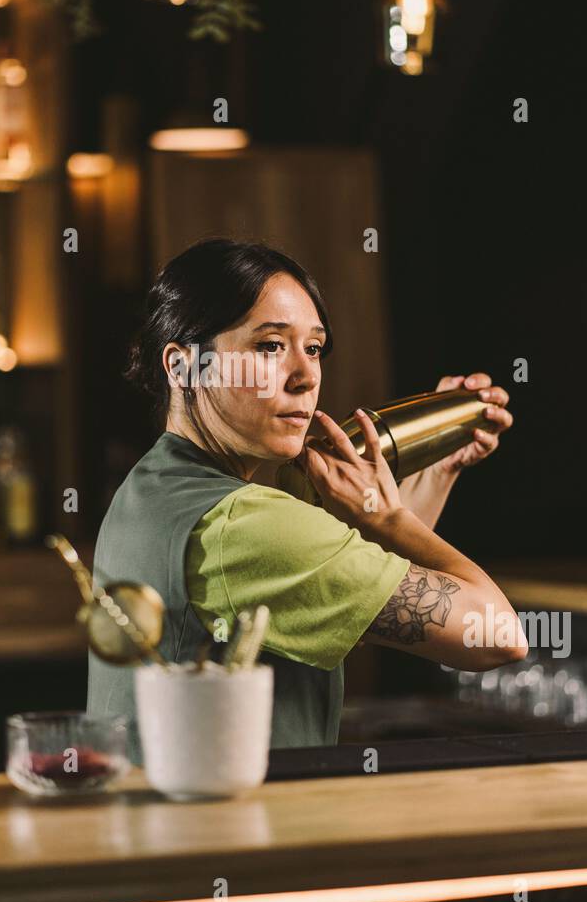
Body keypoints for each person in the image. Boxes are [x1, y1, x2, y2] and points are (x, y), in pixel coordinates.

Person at [88, 238, 526, 762]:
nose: (306, 376)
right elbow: (499, 635)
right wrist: (384, 516)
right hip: (227, 835)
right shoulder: (242, 524)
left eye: (314, 348)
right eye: (270, 346)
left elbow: (351, 597)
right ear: (183, 367)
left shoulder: (152, 490)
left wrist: (437, 467)